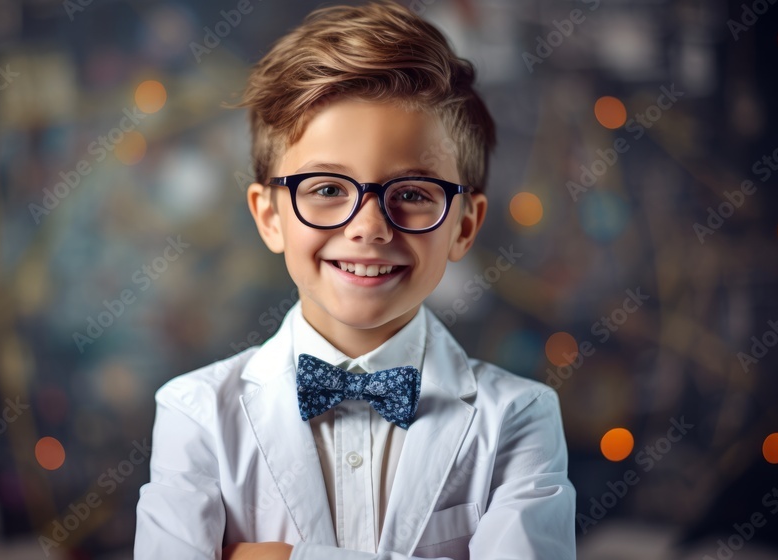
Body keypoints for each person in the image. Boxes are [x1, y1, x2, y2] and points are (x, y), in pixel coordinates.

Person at [134, 2, 575, 558]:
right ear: (269, 216)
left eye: (413, 194)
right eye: (325, 189)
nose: (369, 227)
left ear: (464, 227)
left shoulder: (518, 417)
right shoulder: (195, 412)